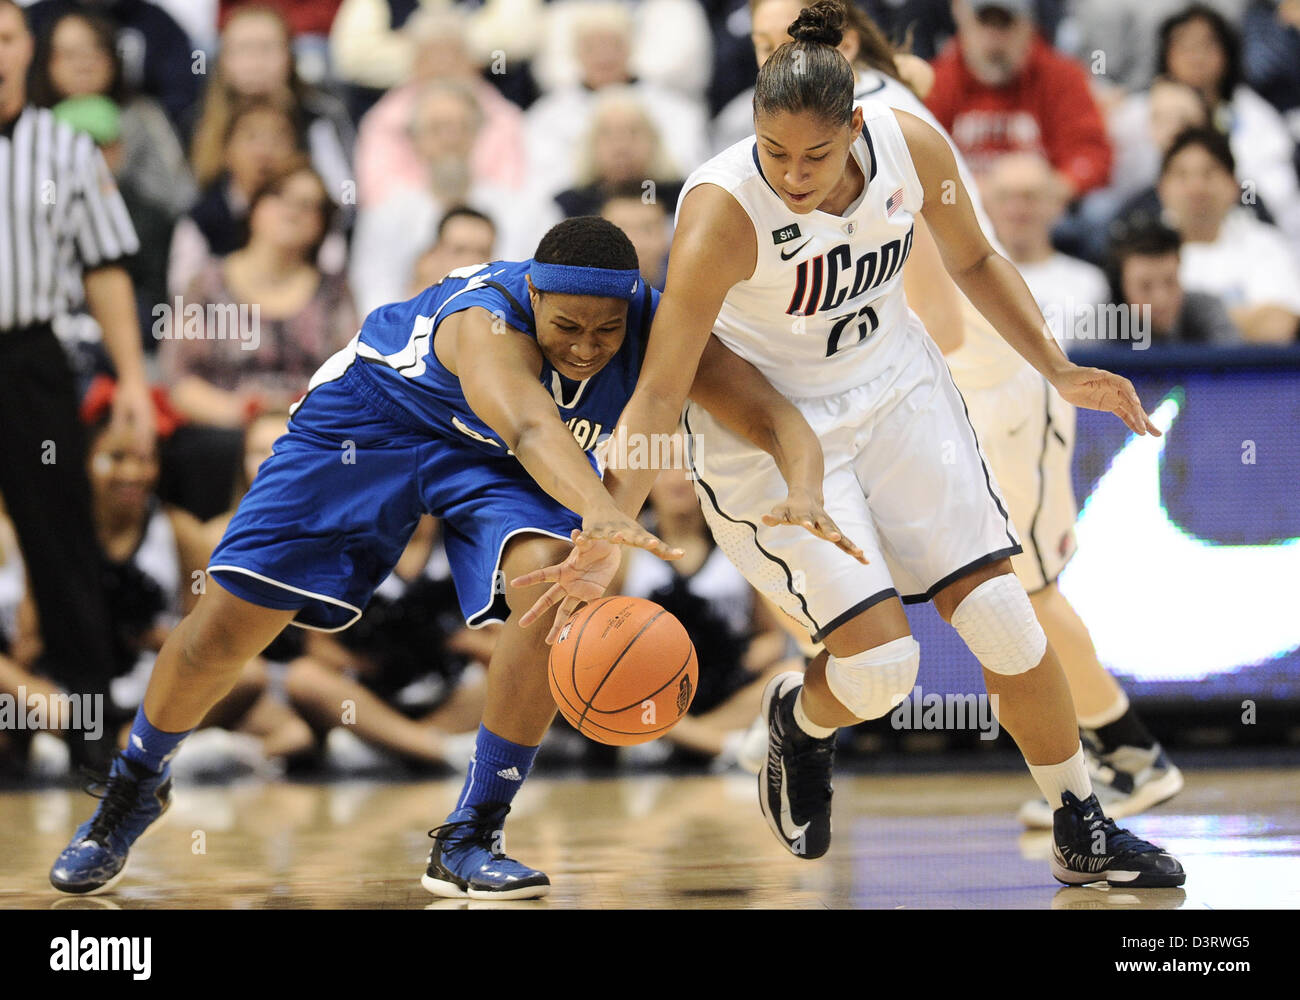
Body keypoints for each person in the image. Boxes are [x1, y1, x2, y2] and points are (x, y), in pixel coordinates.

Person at [524, 1, 1185, 886]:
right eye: (775, 152)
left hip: (898, 387)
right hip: (770, 429)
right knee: (880, 668)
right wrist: (608, 524)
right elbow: (661, 389)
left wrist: (1057, 368)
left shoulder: (910, 144)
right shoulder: (721, 210)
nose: (794, 174)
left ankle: (1082, 822)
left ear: (858, 127)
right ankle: (800, 719)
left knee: (1002, 612)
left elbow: (977, 262)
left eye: (816, 155)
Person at [49, 216, 834, 897]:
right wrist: (600, 509)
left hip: (487, 462)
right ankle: (134, 786)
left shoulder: (657, 325)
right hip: (372, 423)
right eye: (567, 327)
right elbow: (530, 428)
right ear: (532, 298)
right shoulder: (484, 321)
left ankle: (470, 836)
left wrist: (805, 489)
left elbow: (775, 414)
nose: (588, 348)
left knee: (552, 591)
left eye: (607, 330)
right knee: (227, 629)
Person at [697, 0, 1190, 830]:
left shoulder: (880, 128)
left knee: (1018, 592)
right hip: (907, 383)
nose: (770, 58)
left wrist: (886, 395)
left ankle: (1128, 758)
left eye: (785, 41)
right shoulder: (844, 107)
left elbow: (947, 314)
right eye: (757, 45)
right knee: (879, 595)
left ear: (842, 46)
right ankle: (815, 708)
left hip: (983, 376)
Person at [0, 0, 154, 773]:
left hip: (29, 357)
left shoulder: (64, 145)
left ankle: (91, 731)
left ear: (28, 46)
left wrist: (131, 376)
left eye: (3, 35)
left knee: (61, 540)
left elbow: (106, 269)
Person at [159, 161, 358, 428]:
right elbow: (178, 378)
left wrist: (296, 422)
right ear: (254, 207)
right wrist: (242, 414)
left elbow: (354, 379)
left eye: (308, 205)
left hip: (310, 434)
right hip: (221, 433)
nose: (292, 211)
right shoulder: (207, 282)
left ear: (321, 225)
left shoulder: (335, 290)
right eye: (280, 196)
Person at [926, 0, 1112, 199]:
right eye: (984, 22)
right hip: (961, 209)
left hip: (1041, 214)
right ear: (964, 23)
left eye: (1005, 24)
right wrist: (973, 192)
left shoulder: (1063, 77)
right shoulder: (936, 81)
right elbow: (920, 160)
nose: (993, 38)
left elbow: (1090, 154)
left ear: (1029, 27)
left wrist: (1055, 188)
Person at [1157, 126, 1300, 342]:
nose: (1196, 187)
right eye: (1182, 175)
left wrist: (1187, 324)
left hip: (1251, 374)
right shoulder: (1143, 251)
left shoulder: (1266, 245)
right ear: (1162, 188)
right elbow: (1142, 330)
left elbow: (1279, 325)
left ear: (1233, 186)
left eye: (1209, 173)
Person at [981, 152, 1110, 344]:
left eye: (1030, 197)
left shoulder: (1088, 283)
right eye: (1004, 197)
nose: (1015, 210)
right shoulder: (964, 280)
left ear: (1056, 205)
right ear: (986, 207)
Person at [1104, 219, 1242, 347]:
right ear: (1120, 287)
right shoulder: (1099, 329)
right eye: (1145, 287)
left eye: (1170, 282)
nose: (1161, 299)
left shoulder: (1207, 310)